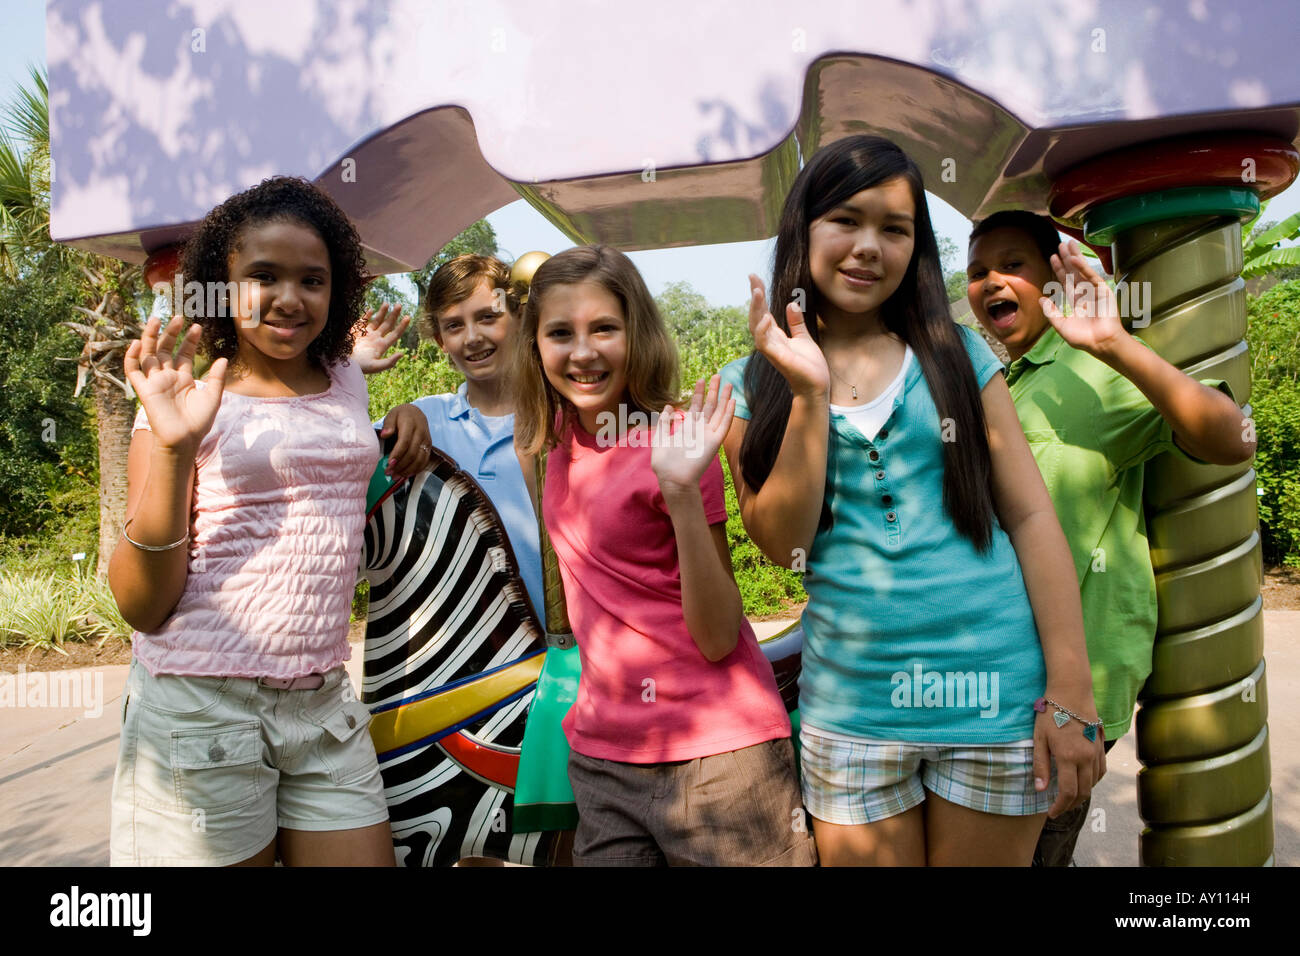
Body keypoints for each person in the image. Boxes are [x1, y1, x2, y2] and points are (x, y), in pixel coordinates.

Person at [718, 134, 1105, 866]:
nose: (869, 247)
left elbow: (1029, 516)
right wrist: (808, 394)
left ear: (916, 248)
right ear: (803, 230)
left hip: (995, 700)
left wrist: (1070, 694)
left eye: (895, 229)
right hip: (854, 712)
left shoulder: (959, 353)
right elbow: (780, 543)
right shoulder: (755, 380)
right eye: (848, 220)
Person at [108, 175, 432, 866]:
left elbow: (337, 436)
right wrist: (173, 447)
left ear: (336, 289)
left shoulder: (345, 376)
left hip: (321, 703)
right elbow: (141, 603)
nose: (290, 298)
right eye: (263, 276)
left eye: (312, 280)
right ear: (220, 288)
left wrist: (409, 416)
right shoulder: (183, 400)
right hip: (201, 708)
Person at [512, 244, 817, 866]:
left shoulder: (678, 442)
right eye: (559, 333)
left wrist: (680, 493)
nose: (583, 351)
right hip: (603, 757)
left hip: (717, 755)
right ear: (535, 346)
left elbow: (716, 636)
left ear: (637, 333)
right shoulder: (548, 442)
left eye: (605, 328)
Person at [965, 211, 1254, 865]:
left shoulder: (1096, 367)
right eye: (979, 271)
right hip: (992, 677)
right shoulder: (997, 383)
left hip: (1066, 685)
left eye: (1013, 265)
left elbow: (1232, 438)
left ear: (1053, 279)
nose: (992, 281)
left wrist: (1117, 347)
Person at [376, 254, 581, 841]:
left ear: (520, 316)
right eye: (454, 324)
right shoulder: (428, 426)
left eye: (488, 317)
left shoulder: (571, 415)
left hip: (575, 661)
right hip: (474, 681)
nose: (473, 338)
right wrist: (402, 412)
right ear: (437, 337)